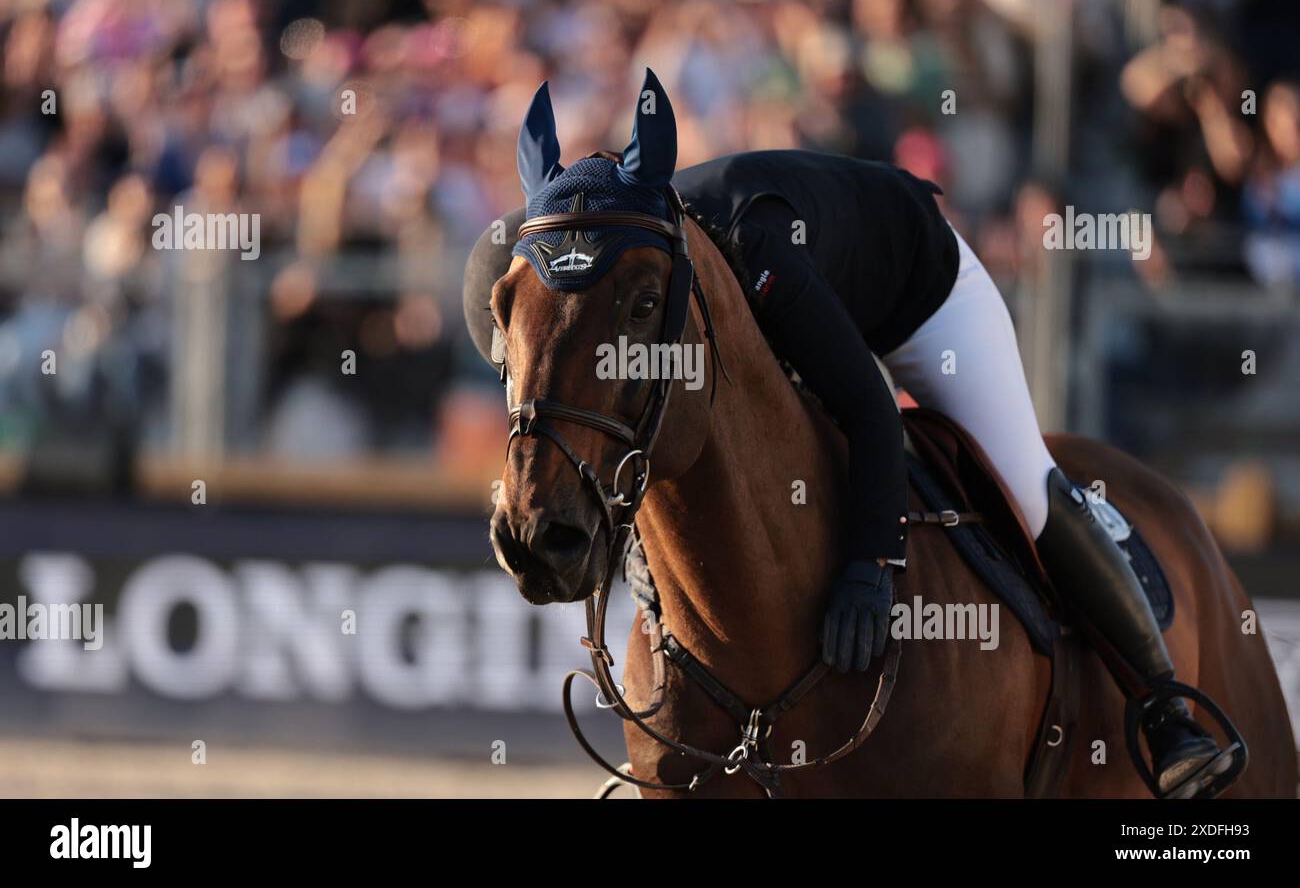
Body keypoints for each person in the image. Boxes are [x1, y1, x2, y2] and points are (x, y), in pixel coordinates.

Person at [463, 69, 1237, 798]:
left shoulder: (746, 248)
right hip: (796, 314)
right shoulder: (606, 268)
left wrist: (870, 565)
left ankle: (1166, 712)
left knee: (1026, 484)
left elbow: (868, 402)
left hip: (922, 298)